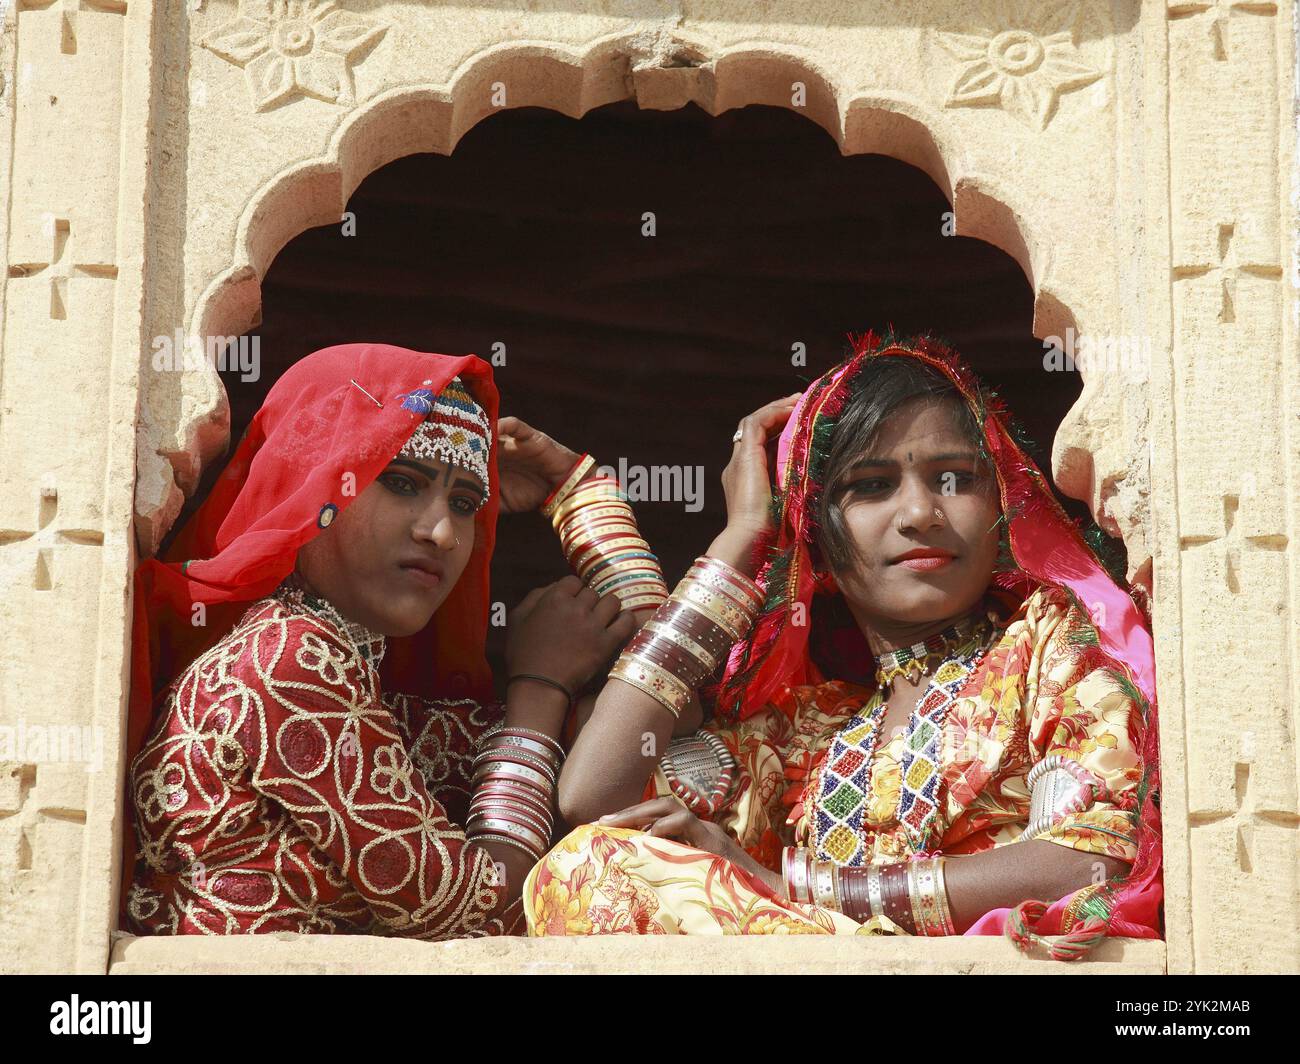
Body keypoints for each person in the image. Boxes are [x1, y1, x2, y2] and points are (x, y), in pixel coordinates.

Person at [527, 332, 1162, 956]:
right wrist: (742, 538)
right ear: (818, 541)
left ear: (1001, 508)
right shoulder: (809, 730)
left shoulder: (1047, 641)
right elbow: (594, 798)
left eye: (955, 478)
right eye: (872, 485)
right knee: (587, 865)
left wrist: (791, 885)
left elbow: (1087, 866)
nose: (920, 514)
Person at [124, 342, 637, 937]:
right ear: (314, 481)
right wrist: (538, 688)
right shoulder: (290, 662)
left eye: (466, 502)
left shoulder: (354, 680)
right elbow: (486, 909)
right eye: (400, 482)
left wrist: (580, 492)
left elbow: (656, 724)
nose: (442, 532)